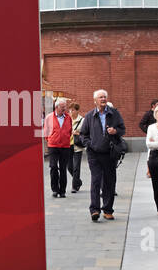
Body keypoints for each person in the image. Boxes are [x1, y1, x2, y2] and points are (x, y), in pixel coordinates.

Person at [79, 89, 125, 221]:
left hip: (110, 153)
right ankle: (94, 210)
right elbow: (83, 134)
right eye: (100, 97)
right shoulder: (89, 116)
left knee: (109, 182)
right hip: (94, 154)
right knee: (96, 180)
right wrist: (90, 144)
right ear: (95, 101)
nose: (103, 99)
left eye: (104, 97)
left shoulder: (114, 114)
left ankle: (108, 209)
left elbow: (122, 129)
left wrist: (115, 131)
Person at [44, 98, 73, 198]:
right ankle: (55, 189)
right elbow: (46, 131)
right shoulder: (49, 117)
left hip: (65, 146)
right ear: (56, 107)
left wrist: (66, 138)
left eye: (65, 106)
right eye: (62, 107)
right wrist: (51, 139)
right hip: (53, 146)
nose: (64, 108)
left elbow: (70, 131)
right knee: (53, 167)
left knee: (63, 168)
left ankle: (62, 191)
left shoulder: (68, 117)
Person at [68, 102, 85, 193]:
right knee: (69, 167)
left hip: (77, 146)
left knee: (76, 167)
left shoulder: (82, 120)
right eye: (70, 110)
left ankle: (74, 186)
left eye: (73, 110)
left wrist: (78, 133)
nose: (71, 112)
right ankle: (78, 181)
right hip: (68, 146)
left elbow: (86, 133)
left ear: (77, 110)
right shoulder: (67, 119)